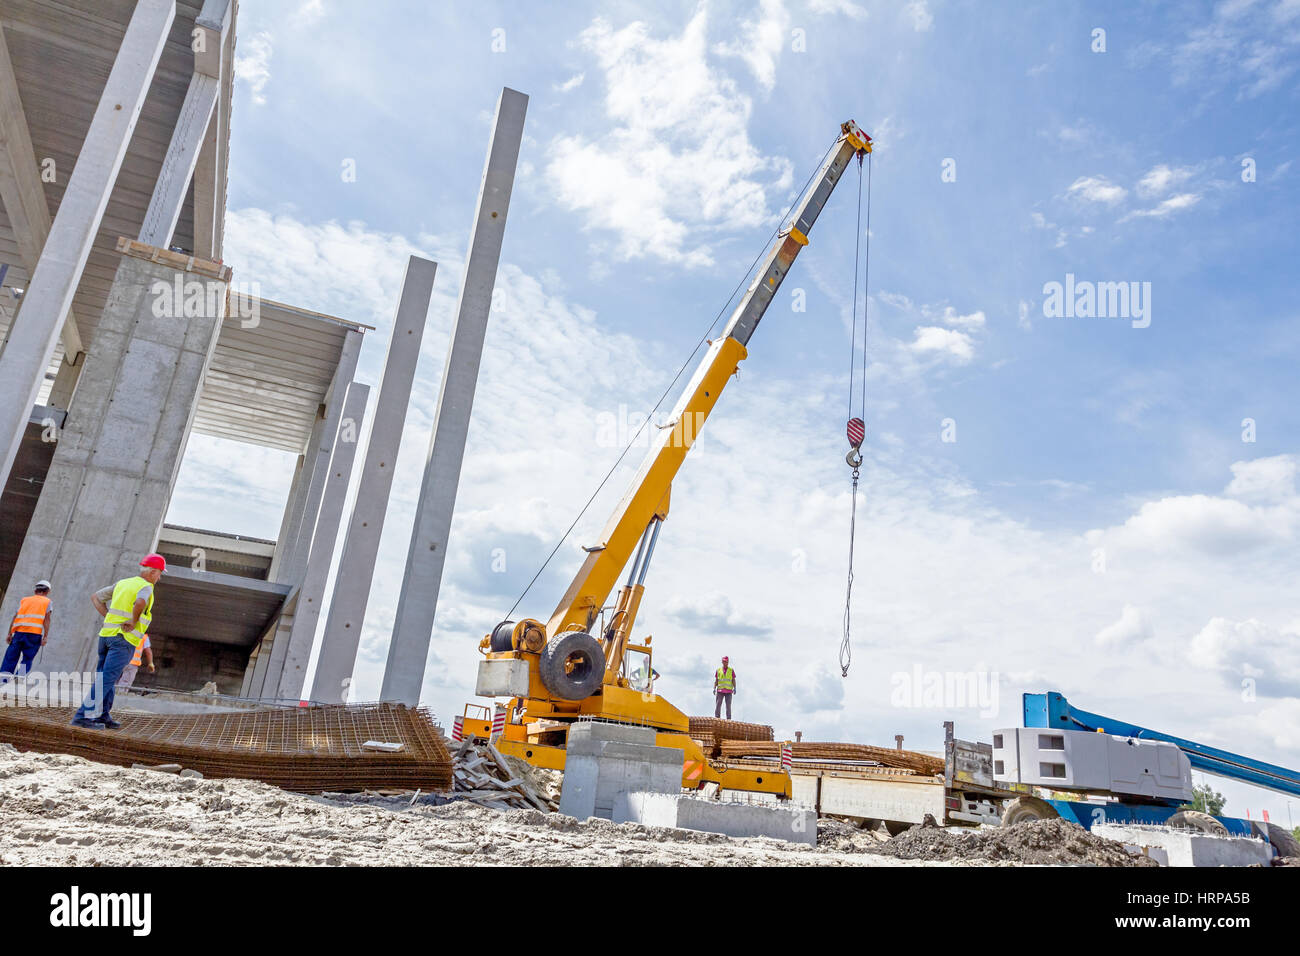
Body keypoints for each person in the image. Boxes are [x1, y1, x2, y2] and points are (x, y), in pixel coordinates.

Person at [71, 554, 165, 730]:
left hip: (106, 636)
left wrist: (108, 616)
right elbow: (140, 602)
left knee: (106, 678)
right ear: (152, 572)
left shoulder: (123, 583)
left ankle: (103, 715)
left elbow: (96, 597)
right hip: (123, 640)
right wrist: (133, 620)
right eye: (160, 573)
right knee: (107, 679)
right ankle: (82, 716)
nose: (159, 577)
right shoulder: (146, 586)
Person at [3, 579, 52, 680]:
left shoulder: (24, 600)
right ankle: (18, 678)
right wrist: (45, 636)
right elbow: (46, 620)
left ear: (35, 591)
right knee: (27, 659)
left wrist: (9, 634)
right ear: (47, 592)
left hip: (19, 633)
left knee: (10, 657)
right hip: (34, 635)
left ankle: (3, 680)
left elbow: (15, 617)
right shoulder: (48, 602)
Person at [713, 654, 737, 719]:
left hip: (728, 691)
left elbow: (733, 680)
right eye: (723, 661)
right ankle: (717, 718)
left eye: (726, 661)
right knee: (718, 705)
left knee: (728, 706)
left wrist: (735, 688)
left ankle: (728, 719)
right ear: (722, 662)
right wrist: (714, 688)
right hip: (720, 691)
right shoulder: (718, 670)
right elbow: (716, 680)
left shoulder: (731, 670)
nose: (725, 663)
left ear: (728, 662)